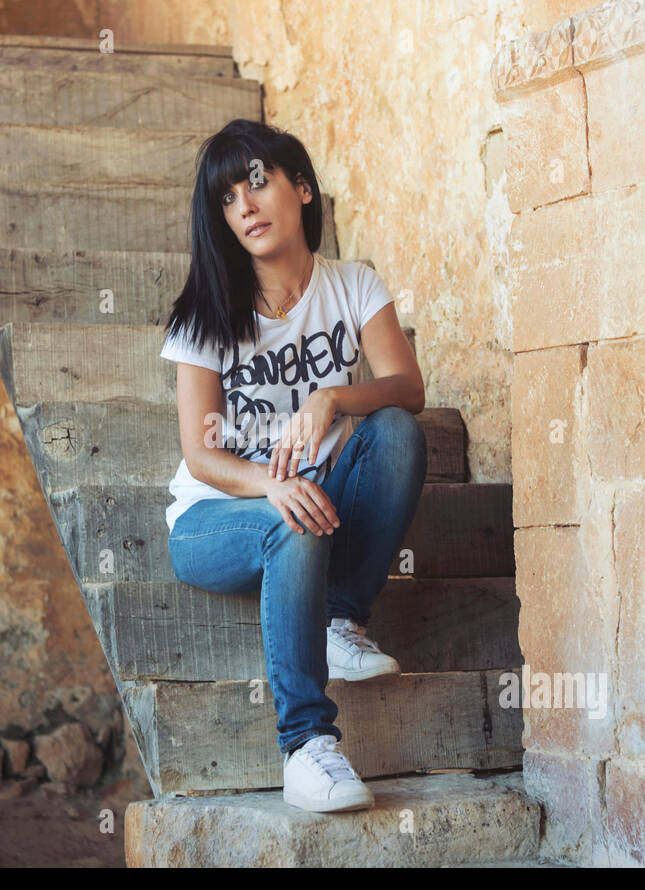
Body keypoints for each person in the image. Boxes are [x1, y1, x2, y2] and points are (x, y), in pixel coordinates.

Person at [158, 118, 427, 813]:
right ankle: (306, 746)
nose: (244, 206)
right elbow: (200, 453)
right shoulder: (205, 315)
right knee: (291, 515)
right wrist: (272, 484)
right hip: (213, 518)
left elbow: (407, 387)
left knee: (396, 433)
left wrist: (332, 395)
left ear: (301, 188)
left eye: (256, 181)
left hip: (316, 495)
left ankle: (340, 619)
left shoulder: (353, 285)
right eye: (226, 198)